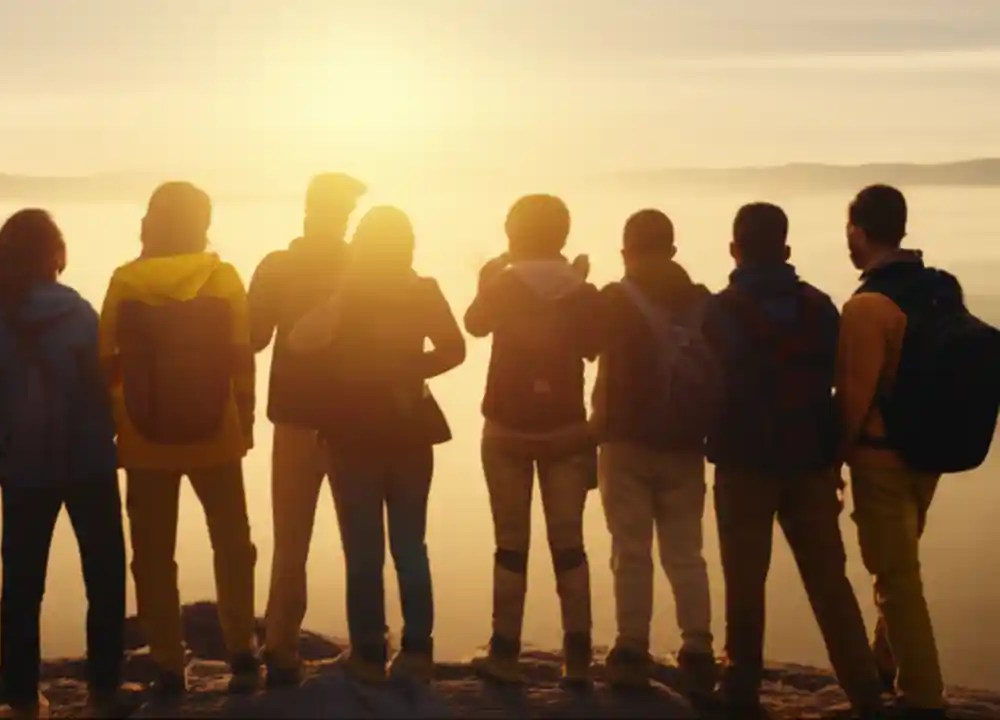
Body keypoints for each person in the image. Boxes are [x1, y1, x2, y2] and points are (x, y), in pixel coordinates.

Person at [703, 203, 884, 717]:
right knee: (830, 581)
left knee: (744, 580)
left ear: (734, 250)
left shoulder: (719, 312)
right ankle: (865, 692)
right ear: (786, 250)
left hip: (743, 464)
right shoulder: (820, 307)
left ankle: (740, 689)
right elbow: (841, 382)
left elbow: (706, 384)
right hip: (809, 462)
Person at [290, 206, 466, 684]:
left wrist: (343, 292)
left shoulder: (348, 295)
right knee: (411, 545)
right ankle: (417, 652)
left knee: (363, 549)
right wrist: (410, 371)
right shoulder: (423, 290)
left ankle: (368, 652)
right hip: (410, 432)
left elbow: (300, 342)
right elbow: (455, 349)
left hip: (353, 436)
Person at [99, 182, 258, 699]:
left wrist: (118, 424)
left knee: (151, 554)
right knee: (232, 544)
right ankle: (242, 654)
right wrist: (247, 418)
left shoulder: (125, 280)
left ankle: (168, 665)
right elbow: (241, 355)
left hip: (144, 438)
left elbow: (106, 365)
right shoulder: (224, 277)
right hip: (217, 430)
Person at [0, 210, 126, 719]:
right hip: (88, 459)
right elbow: (103, 382)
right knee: (103, 574)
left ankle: (22, 700)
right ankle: (104, 692)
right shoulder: (80, 312)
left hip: (24, 465)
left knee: (21, 584)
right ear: (54, 255)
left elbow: (0, 390)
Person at [463, 195, 599, 687]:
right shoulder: (581, 290)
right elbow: (591, 348)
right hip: (566, 429)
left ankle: (505, 653)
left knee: (510, 545)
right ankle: (579, 659)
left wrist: (492, 274)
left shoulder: (502, 282)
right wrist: (581, 283)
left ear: (514, 233)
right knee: (570, 546)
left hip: (506, 429)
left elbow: (474, 324)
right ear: (562, 235)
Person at [589, 209, 718, 696]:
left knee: (631, 549)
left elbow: (585, 348)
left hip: (624, 443)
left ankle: (630, 647)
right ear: (673, 250)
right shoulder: (704, 302)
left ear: (626, 252)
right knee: (686, 552)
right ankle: (699, 649)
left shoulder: (614, 298)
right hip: (686, 445)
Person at [248, 172, 367, 685]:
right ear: (342, 217)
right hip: (357, 421)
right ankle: (367, 649)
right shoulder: (365, 267)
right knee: (359, 539)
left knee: (290, 541)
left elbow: (252, 338)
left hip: (295, 419)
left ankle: (280, 648)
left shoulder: (277, 266)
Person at [839, 184, 950, 718]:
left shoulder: (867, 306)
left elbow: (853, 402)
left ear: (858, 232)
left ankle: (923, 696)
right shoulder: (939, 288)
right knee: (901, 565)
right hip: (931, 451)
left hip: (881, 458)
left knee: (894, 577)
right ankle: (884, 665)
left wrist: (829, 461)